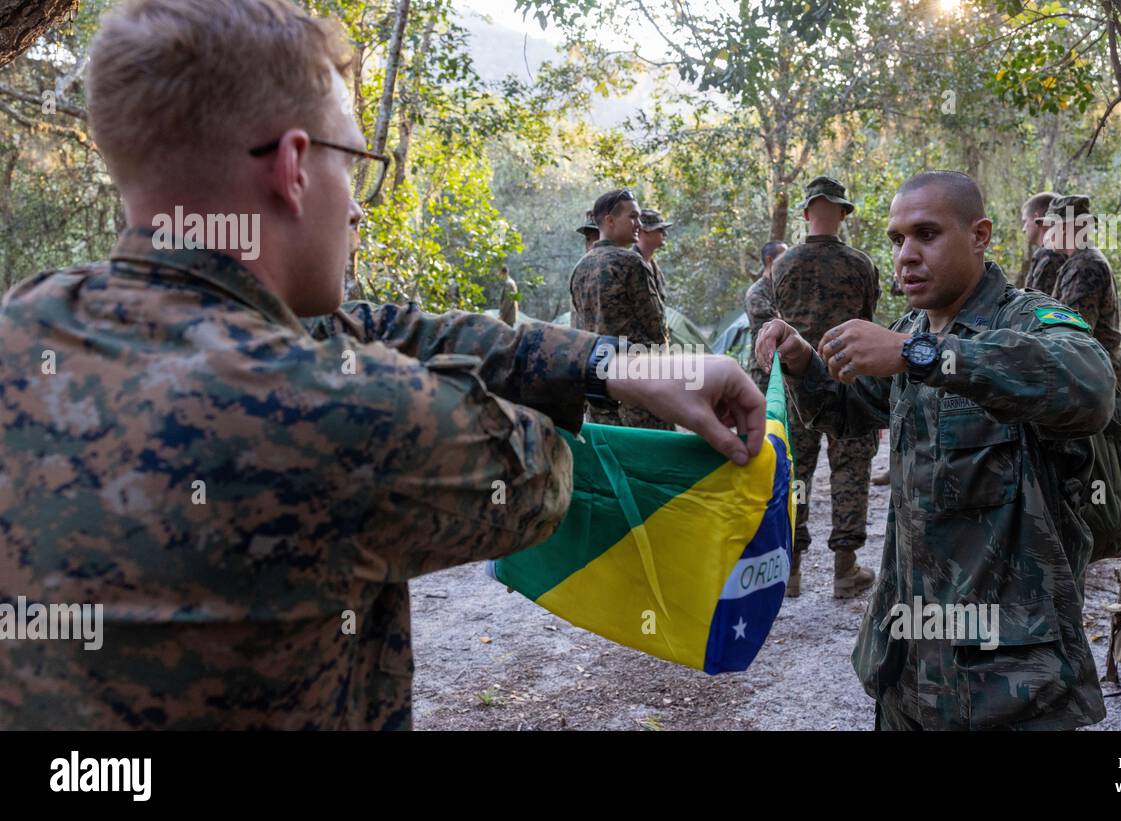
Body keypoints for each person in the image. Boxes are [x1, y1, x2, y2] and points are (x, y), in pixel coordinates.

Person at [0, 0, 764, 730]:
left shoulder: (25, 323)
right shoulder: (351, 418)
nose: (359, 204)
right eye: (356, 158)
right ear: (294, 166)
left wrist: (608, 361)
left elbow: (358, 325)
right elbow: (544, 474)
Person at [756, 171, 1116, 730]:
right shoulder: (911, 328)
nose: (906, 256)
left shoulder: (1028, 318)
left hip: (1008, 676)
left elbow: (1090, 386)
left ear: (980, 235)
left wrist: (921, 353)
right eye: (897, 239)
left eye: (926, 234)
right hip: (908, 659)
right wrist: (804, 362)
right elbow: (850, 410)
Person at [771, 176, 879, 599]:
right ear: (842, 214)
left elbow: (780, 319)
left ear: (805, 214)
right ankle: (844, 567)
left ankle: (792, 570)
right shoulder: (860, 263)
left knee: (796, 471)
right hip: (848, 377)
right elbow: (866, 321)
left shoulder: (782, 265)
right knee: (850, 469)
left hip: (799, 381)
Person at [569, 188, 674, 429]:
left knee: (613, 456)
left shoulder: (580, 267)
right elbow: (655, 326)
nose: (639, 223)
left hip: (600, 385)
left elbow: (578, 329)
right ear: (609, 221)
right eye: (633, 217)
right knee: (652, 457)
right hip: (638, 386)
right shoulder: (630, 262)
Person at [1040, 194, 1121, 394]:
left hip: (1095, 379)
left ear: (1064, 227)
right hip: (1095, 373)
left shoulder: (1085, 266)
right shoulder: (1081, 261)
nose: (1047, 233)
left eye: (1050, 226)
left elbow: (1071, 334)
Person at [744, 239, 786, 392]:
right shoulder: (756, 293)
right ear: (770, 260)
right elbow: (776, 326)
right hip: (765, 371)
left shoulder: (784, 290)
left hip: (786, 368)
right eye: (784, 256)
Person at [1020, 191, 1064, 294]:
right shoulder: (1067, 250)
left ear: (1036, 218)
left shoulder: (1048, 255)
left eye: (1025, 221)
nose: (1023, 229)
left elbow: (1036, 304)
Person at [635, 207, 673, 310]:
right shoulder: (630, 265)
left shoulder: (653, 266)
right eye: (660, 230)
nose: (665, 234)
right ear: (644, 231)